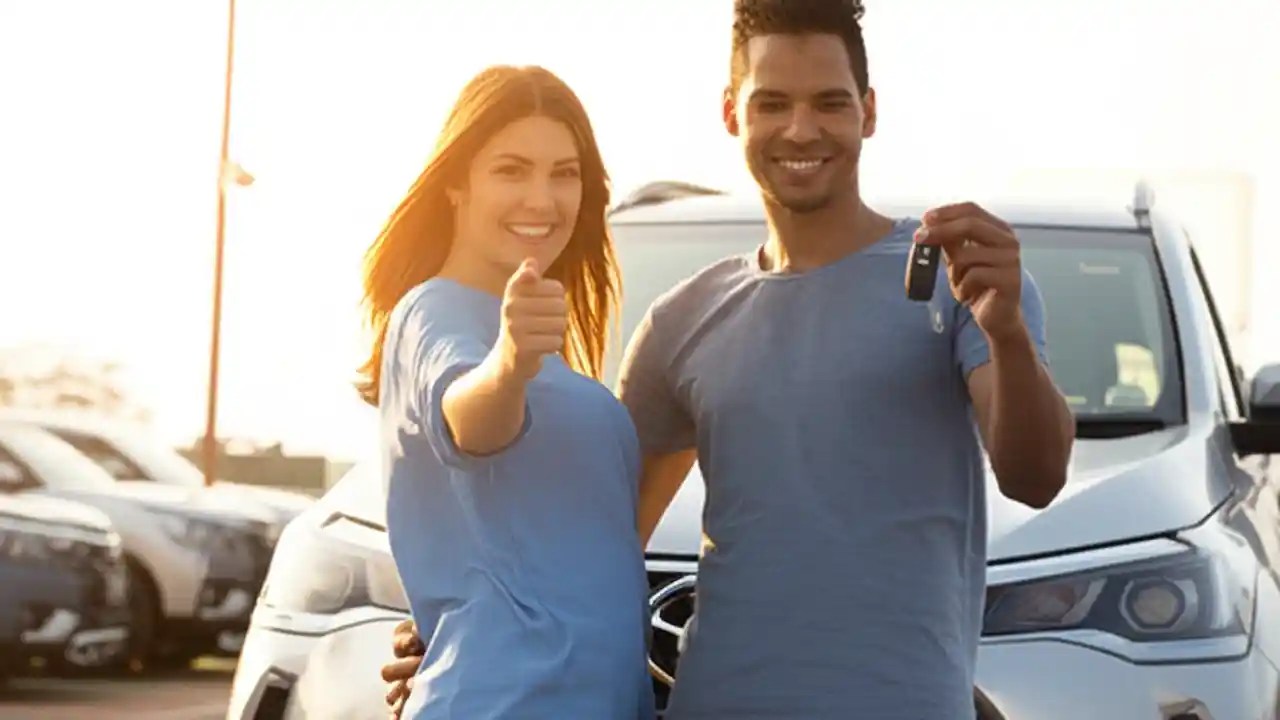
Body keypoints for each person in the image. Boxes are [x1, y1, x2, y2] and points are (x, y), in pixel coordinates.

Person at [383, 1, 1075, 718]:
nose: (801, 129)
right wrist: (452, 631)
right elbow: (589, 542)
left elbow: (1036, 476)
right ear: (729, 113)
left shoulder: (966, 284)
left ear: (868, 112)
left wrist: (1008, 334)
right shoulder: (682, 322)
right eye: (772, 102)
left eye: (829, 104)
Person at [360, 64, 654, 719]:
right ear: (456, 184)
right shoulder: (431, 313)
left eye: (564, 173)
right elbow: (470, 419)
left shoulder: (565, 374)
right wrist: (511, 361)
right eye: (511, 170)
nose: (542, 200)